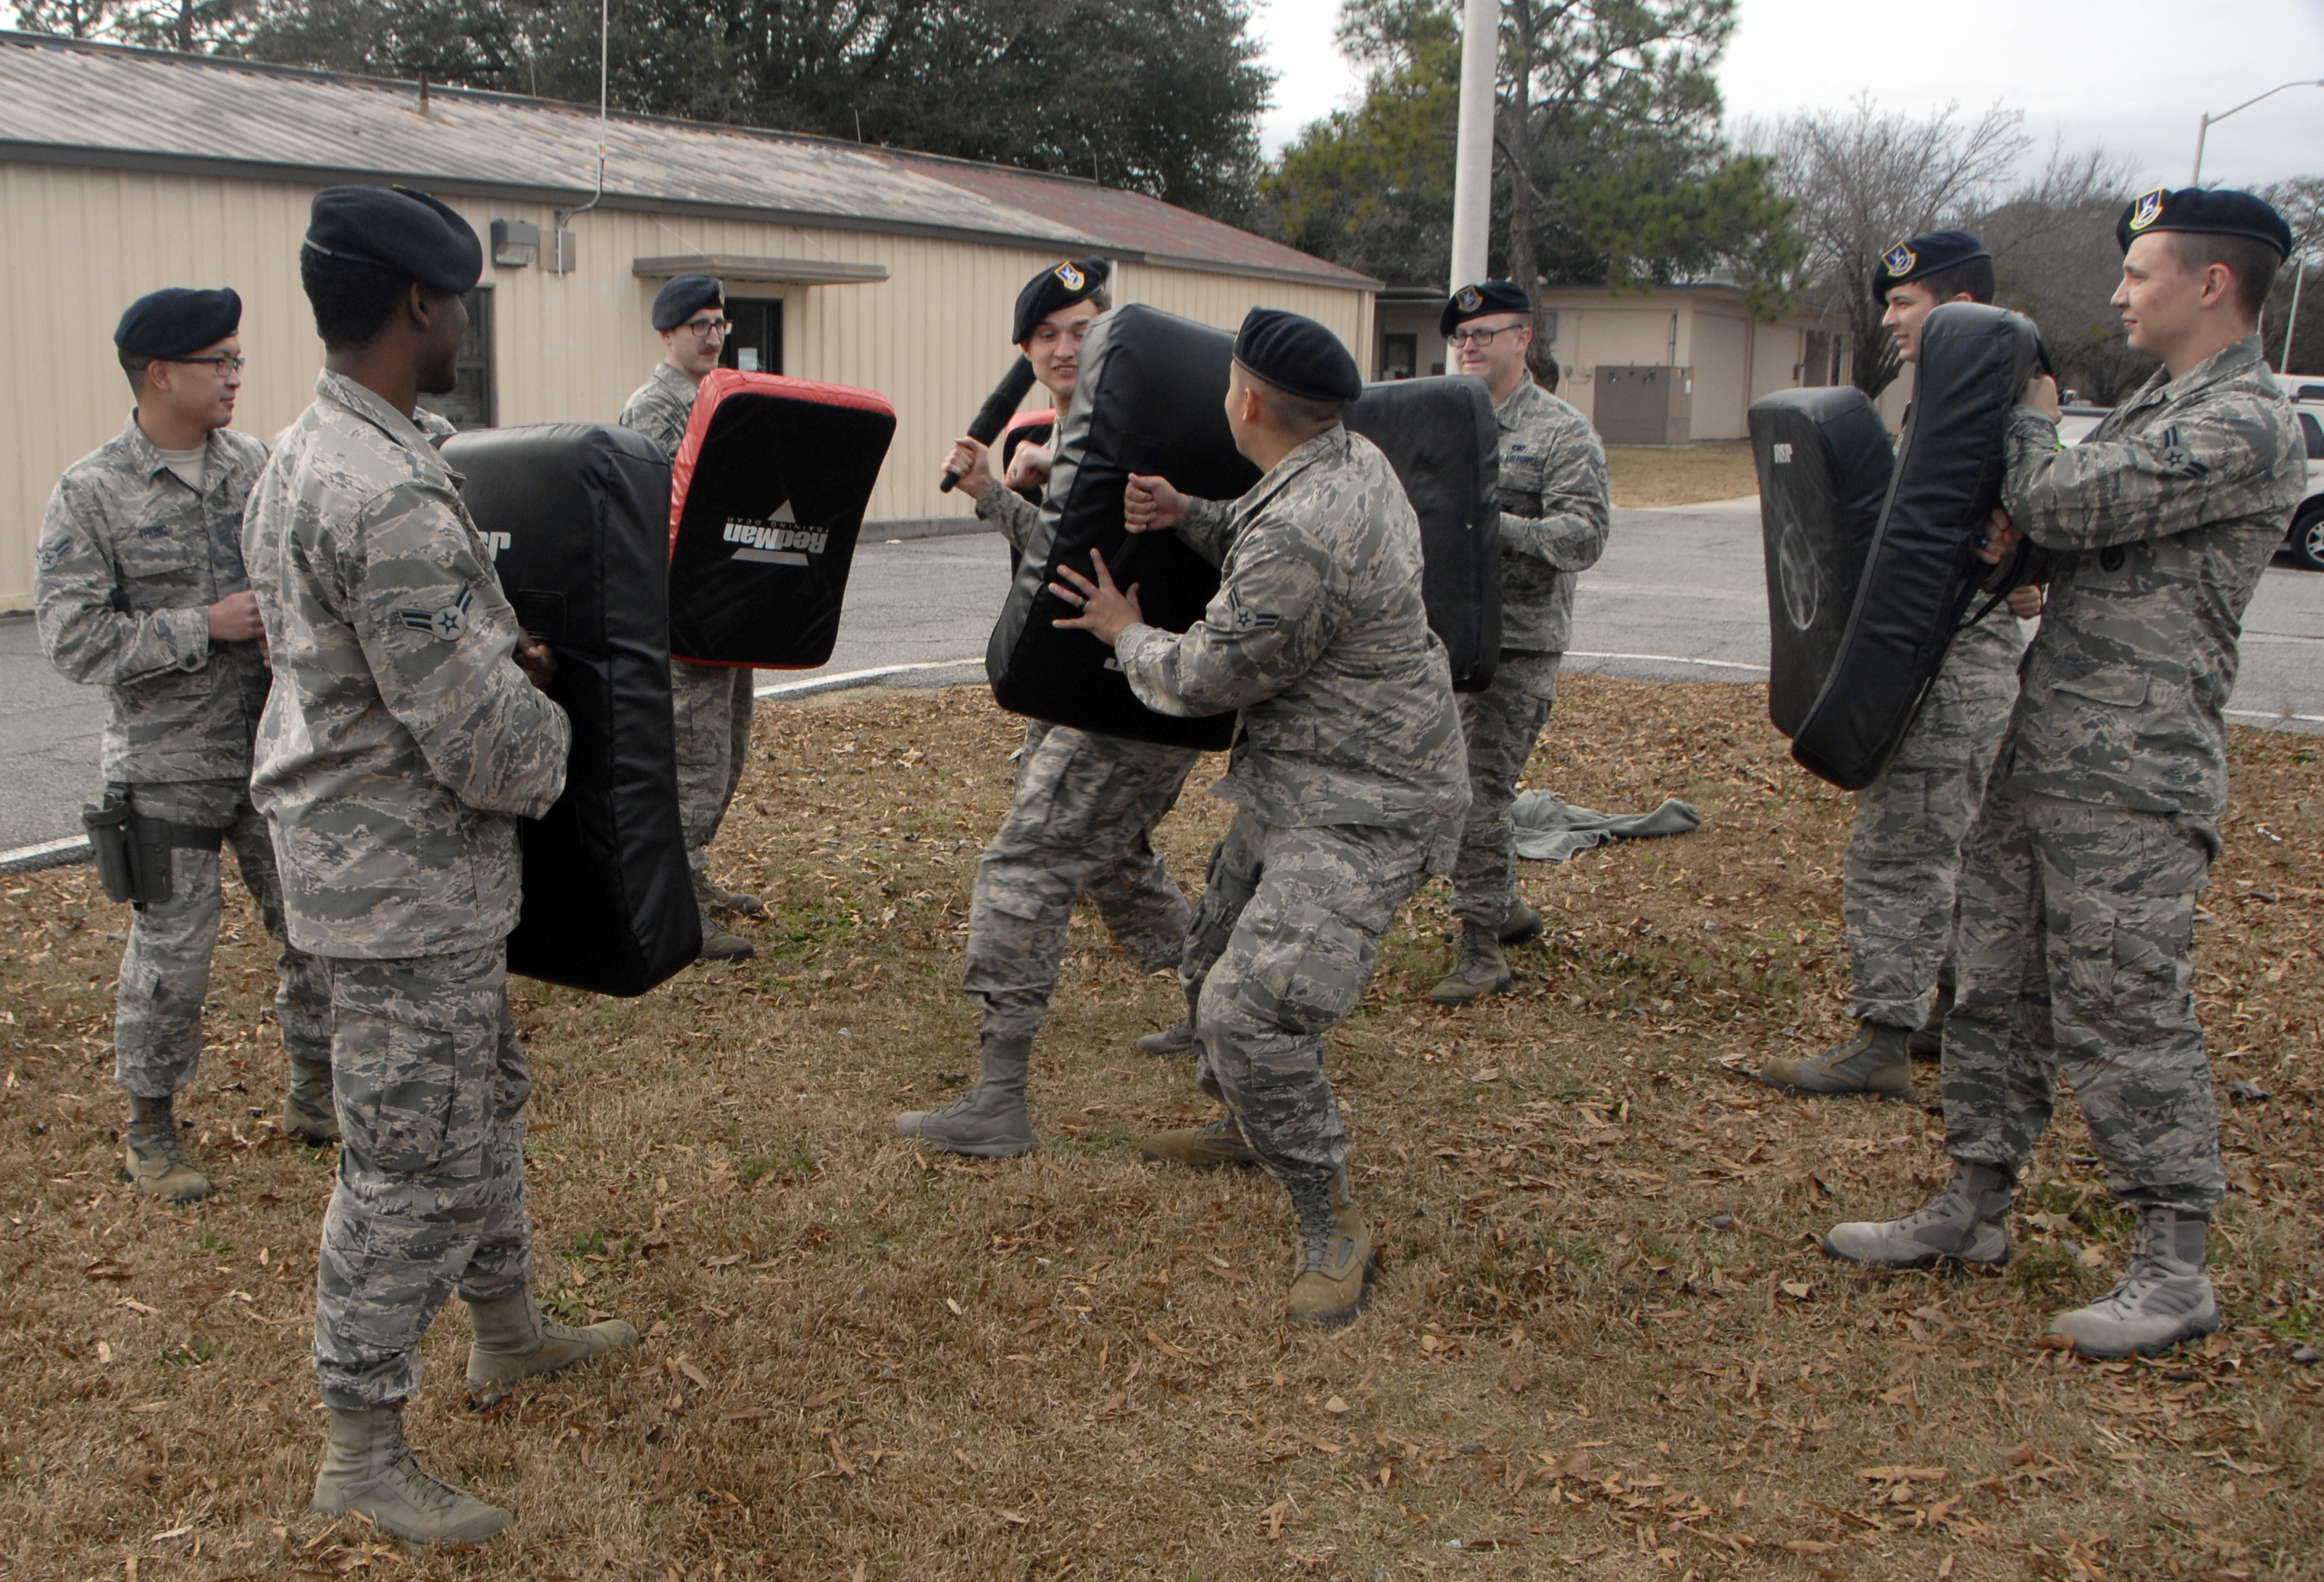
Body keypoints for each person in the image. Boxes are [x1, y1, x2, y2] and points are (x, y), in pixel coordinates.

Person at [1823, 190, 2306, 1360]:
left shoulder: (2246, 419)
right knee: (1994, 984)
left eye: (2137, 272)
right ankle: (1969, 1204)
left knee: (2124, 1005)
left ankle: (2170, 1263)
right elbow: (2054, 532)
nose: (2116, 292)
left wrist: (2029, 414)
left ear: (2209, 284)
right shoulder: (2158, 402)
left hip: (2132, 777)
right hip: (2045, 748)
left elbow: (2063, 498)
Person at [245, 185, 638, 1542]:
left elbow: (382, 662)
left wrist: (494, 657)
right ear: (418, 304)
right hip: (399, 883)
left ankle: (509, 1325)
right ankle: (359, 1444)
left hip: (394, 870)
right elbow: (487, 751)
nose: (465, 322)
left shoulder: (315, 451)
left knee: (485, 1099)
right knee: (408, 1155)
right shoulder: (388, 489)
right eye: (460, 298)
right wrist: (577, 733)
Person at [1054, 307, 1468, 1328]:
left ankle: (1330, 1218)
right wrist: (1188, 509)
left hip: (1369, 804)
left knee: (1251, 1009)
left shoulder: (1302, 528)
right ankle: (1251, 1123)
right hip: (1304, 781)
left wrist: (1124, 631)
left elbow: (1205, 675)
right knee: (1208, 962)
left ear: (1244, 400)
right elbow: (1260, 536)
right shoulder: (1342, 463)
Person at [34, 287, 335, 1202]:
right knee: (173, 957)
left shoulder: (260, 470)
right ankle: (152, 1128)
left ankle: (315, 1094)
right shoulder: (92, 492)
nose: (237, 377)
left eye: (239, 361)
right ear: (161, 374)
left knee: (312, 932)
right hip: (166, 773)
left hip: (275, 756)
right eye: (220, 363)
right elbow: (73, 639)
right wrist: (199, 625)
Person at [894, 259, 1200, 1158]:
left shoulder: (1138, 425)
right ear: (1026, 351)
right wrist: (1004, 492)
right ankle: (1210, 1004)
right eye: (1047, 335)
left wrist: (1009, 492)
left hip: (1133, 687)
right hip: (1083, 685)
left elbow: (1098, 568)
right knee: (1112, 858)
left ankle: (997, 1101)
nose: (1067, 347)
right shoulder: (1077, 433)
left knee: (1025, 866)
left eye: (1083, 328)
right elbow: (1062, 565)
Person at [1757, 231, 2044, 1098]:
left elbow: (2045, 499)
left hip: (1952, 661)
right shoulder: (1952, 403)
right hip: (1945, 649)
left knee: (1902, 848)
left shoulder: (1994, 403)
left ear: (1957, 311)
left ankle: (1883, 1039)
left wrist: (2024, 562)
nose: (1890, 320)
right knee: (1949, 841)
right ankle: (1940, 1013)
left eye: (1903, 304)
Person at [1427, 281, 1610, 1005]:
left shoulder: (1563, 433)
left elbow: (1585, 536)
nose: (1469, 347)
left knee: (1481, 791)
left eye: (1484, 334)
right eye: (1461, 338)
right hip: (1442, 634)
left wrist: (1490, 525)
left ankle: (1479, 948)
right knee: (1445, 786)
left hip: (1518, 643)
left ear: (1522, 339)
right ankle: (1500, 907)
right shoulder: (1443, 420)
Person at [618, 273, 759, 963]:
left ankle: (694, 877)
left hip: (727, 607)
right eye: (698, 325)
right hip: (683, 614)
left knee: (726, 751)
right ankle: (678, 911)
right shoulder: (654, 411)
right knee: (694, 764)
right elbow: (654, 516)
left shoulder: (724, 398)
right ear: (666, 334)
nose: (712, 336)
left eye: (719, 324)